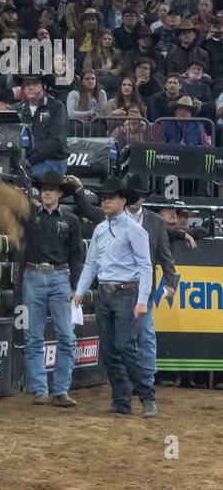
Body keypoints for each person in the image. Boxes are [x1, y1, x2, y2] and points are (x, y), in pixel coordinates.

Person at [73, 177, 155, 417]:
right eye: (103, 197)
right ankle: (122, 402)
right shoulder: (100, 229)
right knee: (110, 350)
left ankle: (146, 395)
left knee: (124, 346)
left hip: (126, 293)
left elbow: (146, 267)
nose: (105, 201)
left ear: (122, 200)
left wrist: (142, 300)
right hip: (106, 293)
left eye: (110, 197)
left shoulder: (135, 230)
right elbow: (91, 264)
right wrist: (79, 292)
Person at [20, 172, 90, 407]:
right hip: (35, 275)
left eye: (52, 189)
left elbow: (76, 256)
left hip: (58, 277)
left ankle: (58, 390)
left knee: (66, 337)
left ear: (60, 193)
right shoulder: (30, 215)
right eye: (44, 188)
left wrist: (74, 287)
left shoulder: (71, 221)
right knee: (33, 337)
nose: (47, 192)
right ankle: (42, 389)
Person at [125, 185, 179, 393]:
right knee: (127, 336)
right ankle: (128, 381)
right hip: (121, 285)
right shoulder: (116, 218)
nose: (133, 199)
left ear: (142, 198)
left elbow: (165, 255)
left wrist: (171, 283)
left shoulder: (155, 222)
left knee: (145, 334)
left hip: (144, 287)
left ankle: (146, 381)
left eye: (136, 196)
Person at [17, 74, 68, 180]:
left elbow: (56, 143)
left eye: (35, 83)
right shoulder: (17, 110)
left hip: (53, 161)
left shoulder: (57, 107)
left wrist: (29, 160)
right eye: (27, 84)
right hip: (22, 161)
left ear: (44, 86)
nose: (30, 87)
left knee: (23, 176)